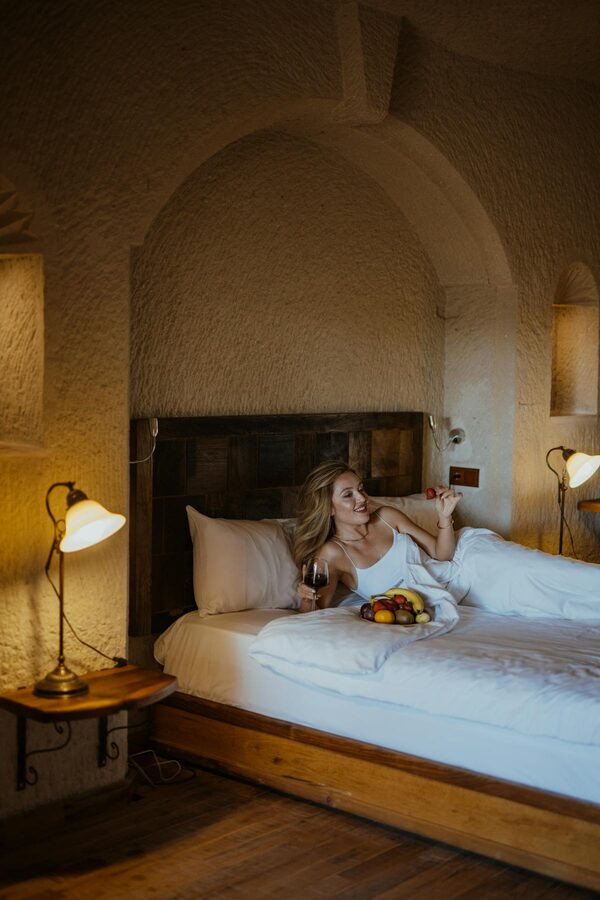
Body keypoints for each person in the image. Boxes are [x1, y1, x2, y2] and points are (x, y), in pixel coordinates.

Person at [294, 459, 600, 617]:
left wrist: (444, 516)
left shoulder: (387, 516)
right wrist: (306, 597)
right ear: (328, 508)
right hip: (452, 596)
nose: (362, 498)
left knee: (546, 572)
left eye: (360, 489)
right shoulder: (332, 555)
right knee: (546, 604)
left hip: (470, 563)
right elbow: (313, 617)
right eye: (348, 495)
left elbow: (442, 555)